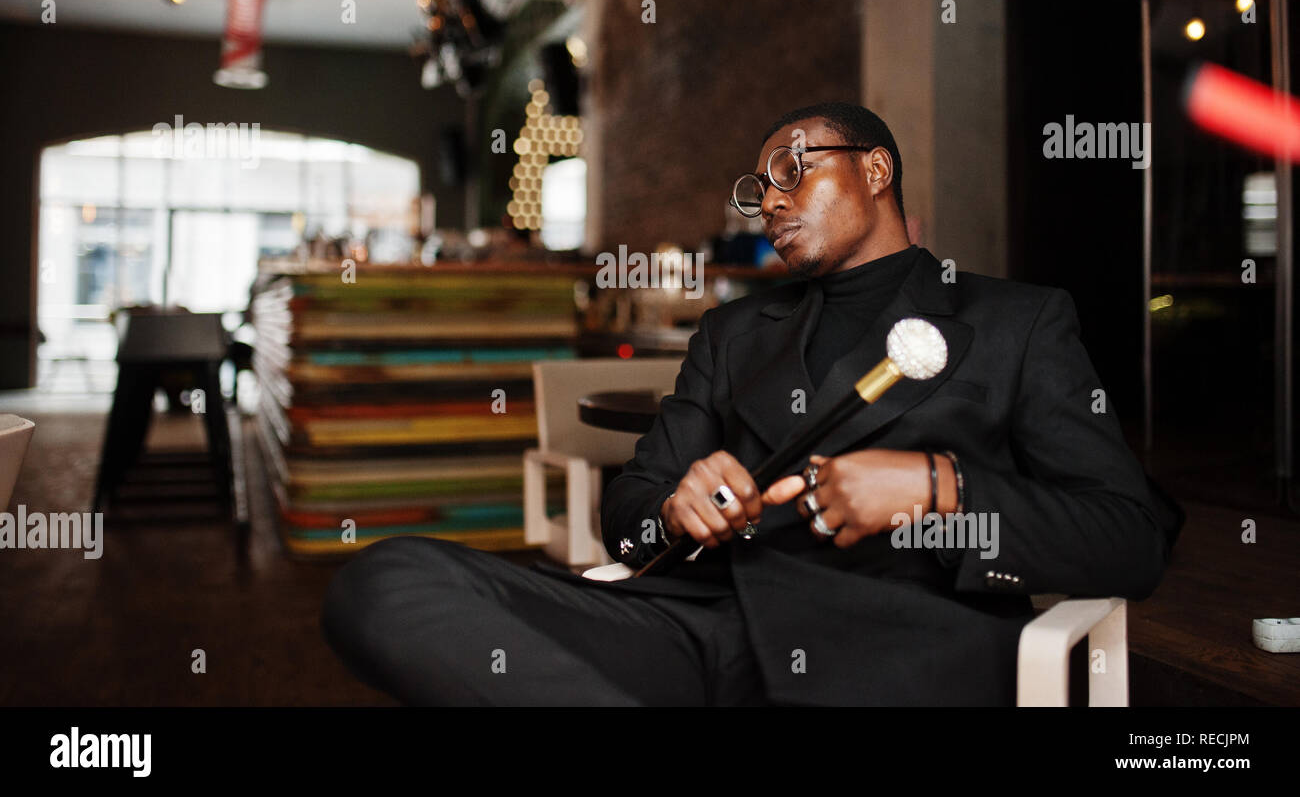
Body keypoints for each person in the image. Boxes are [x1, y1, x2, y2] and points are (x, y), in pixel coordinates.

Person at [321, 102, 1177, 706]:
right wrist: (674, 505)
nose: (768, 199)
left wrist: (939, 488)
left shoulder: (1014, 320)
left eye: (792, 171)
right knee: (385, 583)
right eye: (757, 187)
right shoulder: (733, 332)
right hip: (698, 628)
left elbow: (1128, 536)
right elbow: (631, 513)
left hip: (894, 652)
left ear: (877, 170)